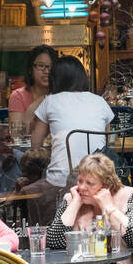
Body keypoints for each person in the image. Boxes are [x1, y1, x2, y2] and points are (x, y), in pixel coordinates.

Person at [31, 54, 113, 190]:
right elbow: (106, 139)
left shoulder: (50, 101)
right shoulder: (99, 101)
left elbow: (35, 145)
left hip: (61, 180)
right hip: (99, 178)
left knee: (34, 181)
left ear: (54, 79)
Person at [8, 44, 56, 133]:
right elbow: (16, 134)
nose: (46, 71)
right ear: (30, 69)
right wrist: (44, 98)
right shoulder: (18, 96)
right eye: (41, 66)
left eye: (51, 67)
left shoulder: (61, 95)